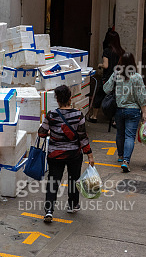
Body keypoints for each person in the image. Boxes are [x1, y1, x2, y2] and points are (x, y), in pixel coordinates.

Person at [38, 85, 94, 223]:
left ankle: (49, 210)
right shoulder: (78, 115)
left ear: (57, 99)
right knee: (73, 179)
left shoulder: (51, 115)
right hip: (74, 155)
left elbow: (41, 133)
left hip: (55, 155)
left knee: (53, 181)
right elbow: (83, 137)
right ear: (70, 98)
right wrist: (90, 155)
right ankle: (72, 205)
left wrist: (53, 132)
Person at [103, 53, 146, 172]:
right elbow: (141, 96)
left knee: (120, 133)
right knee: (129, 136)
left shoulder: (116, 74)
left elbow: (106, 89)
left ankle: (120, 156)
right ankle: (126, 161)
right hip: (133, 110)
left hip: (119, 109)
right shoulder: (137, 77)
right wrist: (144, 112)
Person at [89, 30, 125, 123]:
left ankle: (94, 116)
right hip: (118, 78)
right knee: (116, 98)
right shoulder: (121, 51)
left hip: (107, 78)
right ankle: (115, 120)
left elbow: (106, 65)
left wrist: (99, 65)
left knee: (99, 95)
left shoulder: (107, 51)